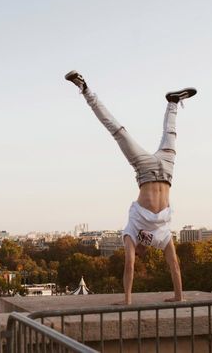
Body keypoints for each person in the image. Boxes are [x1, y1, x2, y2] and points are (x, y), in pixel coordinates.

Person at [64, 71, 196, 304]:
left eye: (136, 252)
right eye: (139, 253)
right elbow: (174, 264)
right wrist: (178, 297)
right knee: (171, 134)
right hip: (166, 172)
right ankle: (173, 103)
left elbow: (128, 265)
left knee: (118, 132)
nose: (136, 253)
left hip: (145, 171)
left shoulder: (131, 233)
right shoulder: (163, 236)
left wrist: (127, 300)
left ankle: (85, 89)